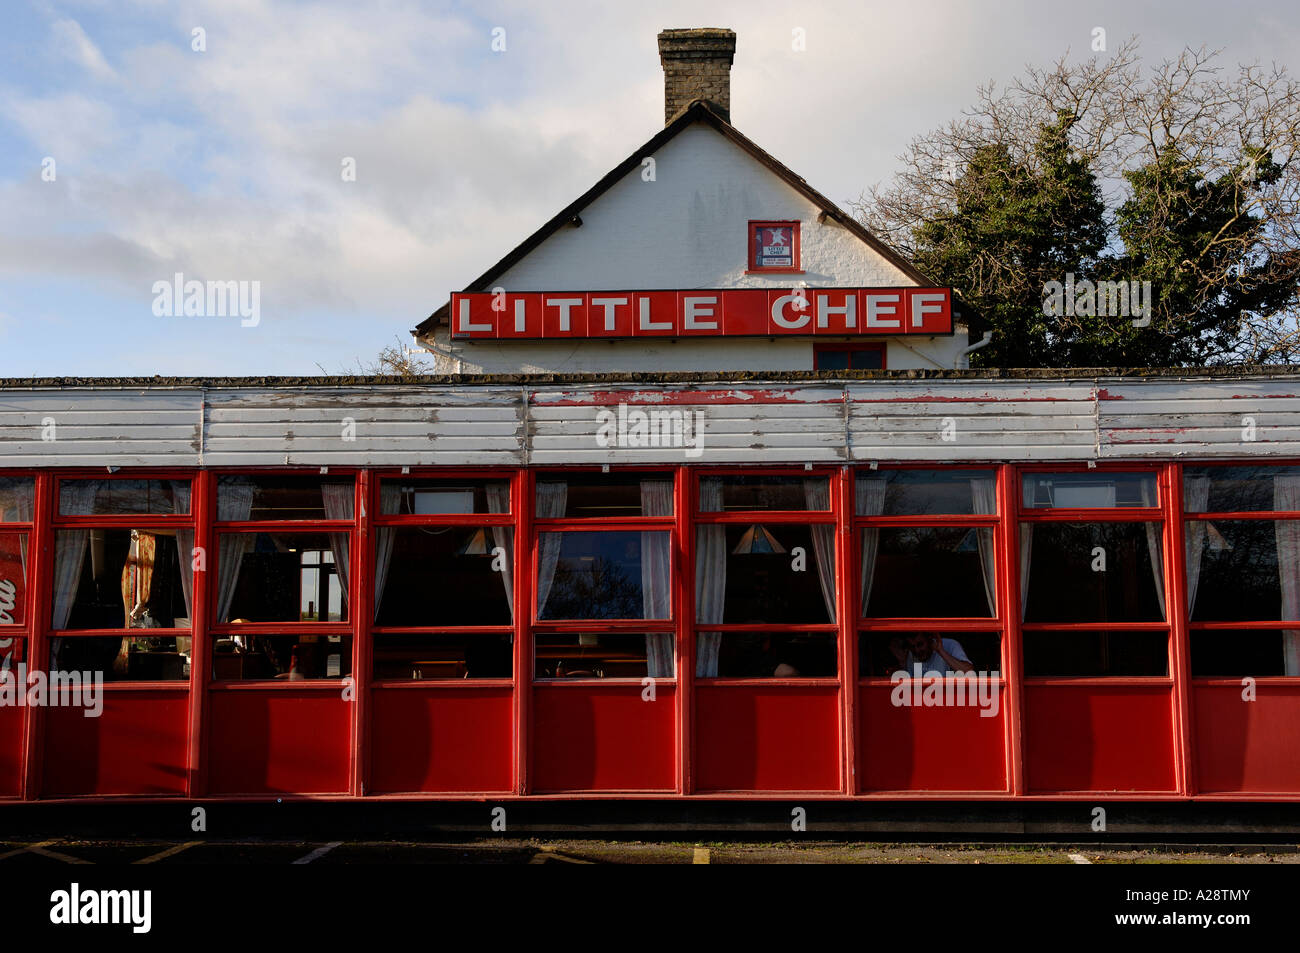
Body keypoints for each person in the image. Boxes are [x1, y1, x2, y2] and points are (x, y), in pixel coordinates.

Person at [889, 632, 974, 676]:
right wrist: (903, 663)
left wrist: (941, 651)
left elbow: (969, 672)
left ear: (929, 639)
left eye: (920, 644)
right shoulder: (910, 653)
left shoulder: (949, 645)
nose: (917, 650)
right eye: (912, 646)